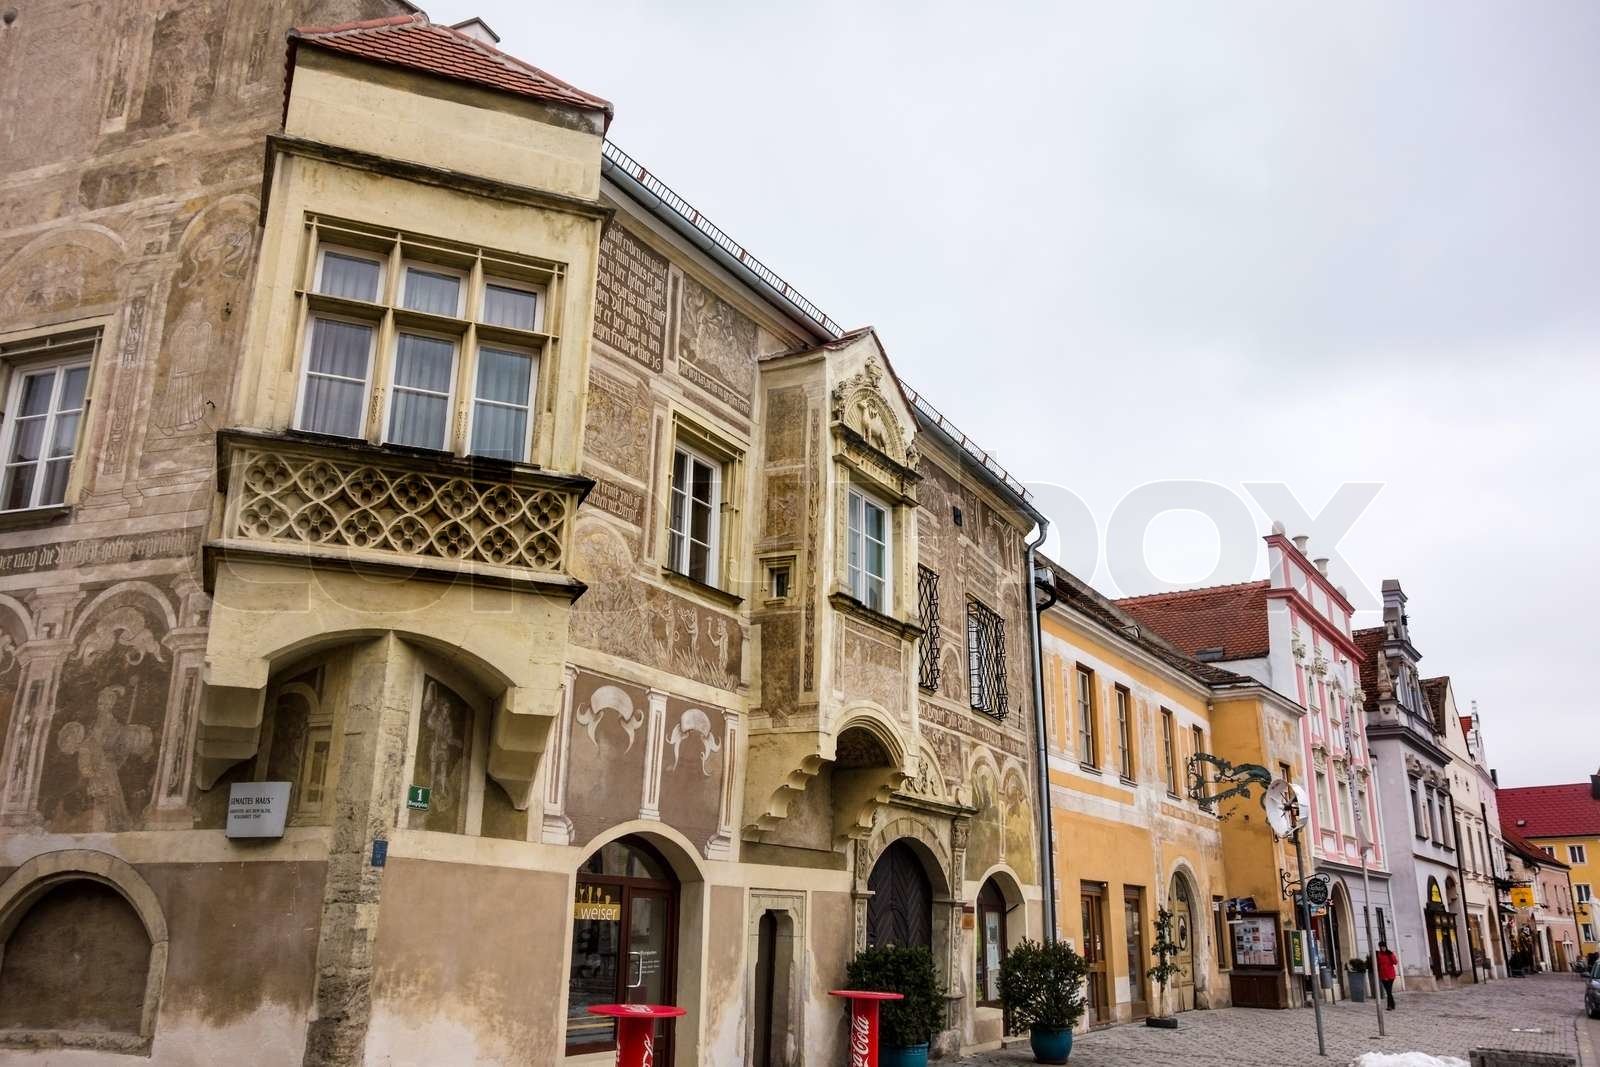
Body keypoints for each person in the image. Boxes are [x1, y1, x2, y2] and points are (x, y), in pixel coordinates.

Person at [1376, 941, 1400, 1010]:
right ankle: (1392, 1004)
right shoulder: (1379, 954)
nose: (1383, 948)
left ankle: (1390, 1006)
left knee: (1389, 991)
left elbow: (1395, 962)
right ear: (1380, 947)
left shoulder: (1389, 953)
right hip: (1383, 976)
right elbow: (1378, 964)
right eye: (1381, 947)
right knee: (1388, 991)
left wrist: (1391, 955)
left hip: (1390, 975)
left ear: (1386, 947)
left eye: (1384, 947)